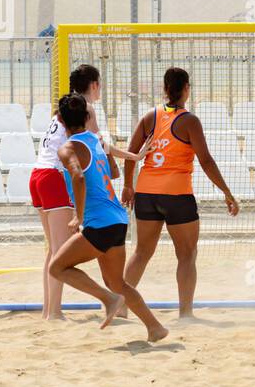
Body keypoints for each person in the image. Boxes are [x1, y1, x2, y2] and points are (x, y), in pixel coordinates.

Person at [120, 68, 241, 321]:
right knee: (186, 254)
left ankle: (120, 306)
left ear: (165, 89)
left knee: (141, 253)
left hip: (147, 192)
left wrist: (128, 187)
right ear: (187, 88)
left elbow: (131, 153)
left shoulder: (149, 116)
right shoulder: (189, 121)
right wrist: (226, 192)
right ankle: (185, 313)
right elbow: (206, 161)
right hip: (176, 194)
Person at [47, 93, 167, 343]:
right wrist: (135, 156)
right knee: (118, 282)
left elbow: (78, 177)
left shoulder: (66, 148)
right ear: (87, 117)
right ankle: (155, 327)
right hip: (118, 219)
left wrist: (77, 216)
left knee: (57, 267)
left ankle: (107, 299)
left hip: (99, 222)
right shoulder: (95, 139)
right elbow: (114, 168)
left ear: (60, 119)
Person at [28, 64, 103, 321]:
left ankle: (48, 310)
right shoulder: (85, 109)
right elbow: (96, 149)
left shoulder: (63, 108)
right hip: (54, 176)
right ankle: (54, 312)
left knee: (52, 249)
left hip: (38, 175)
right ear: (94, 85)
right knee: (59, 253)